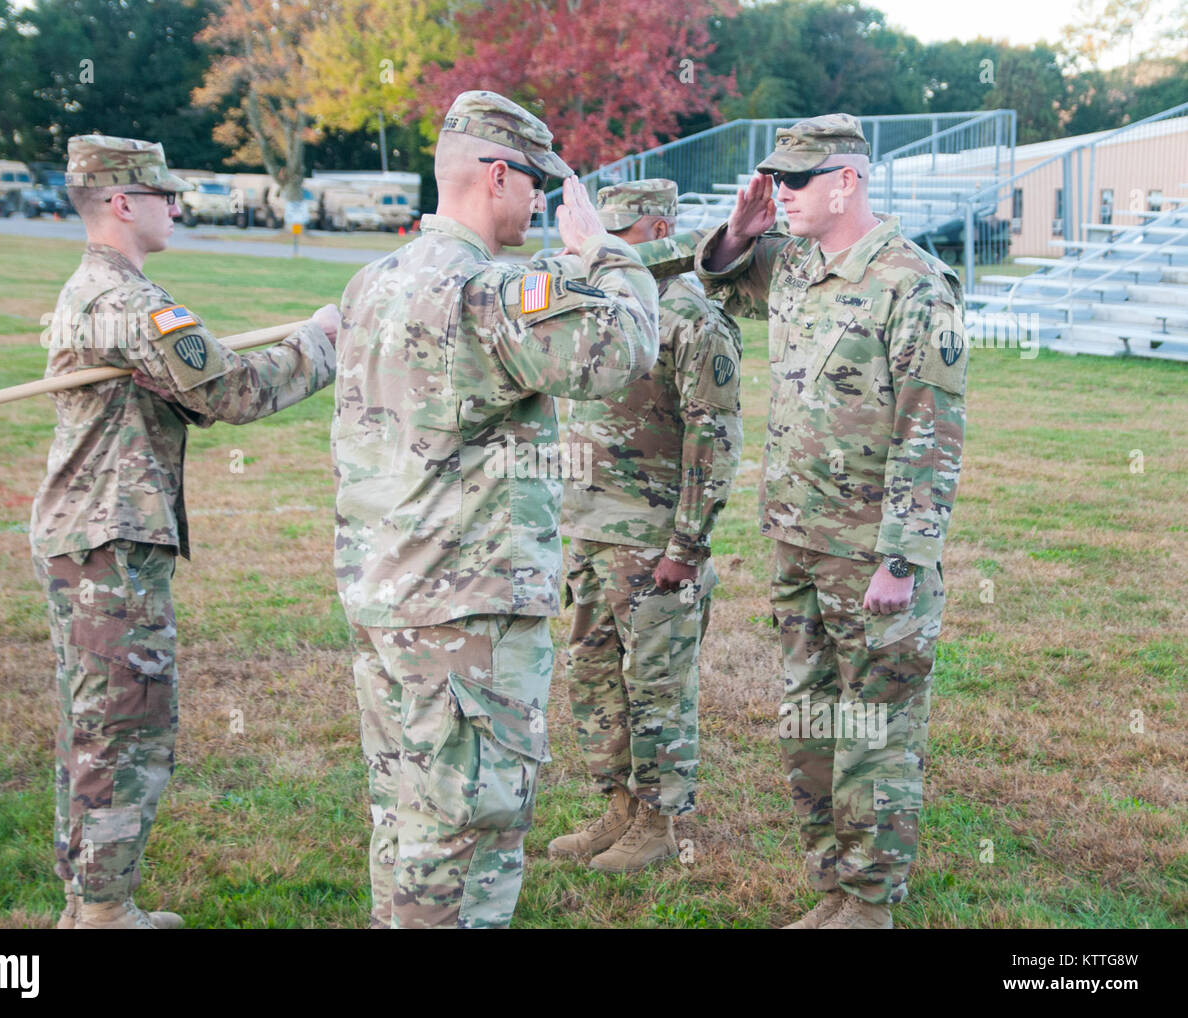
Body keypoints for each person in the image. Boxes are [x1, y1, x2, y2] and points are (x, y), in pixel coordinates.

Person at [332, 90, 665, 929]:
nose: (542, 205)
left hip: (387, 599)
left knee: (405, 817)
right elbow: (624, 347)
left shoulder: (374, 282)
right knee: (469, 834)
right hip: (463, 618)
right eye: (536, 186)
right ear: (496, 176)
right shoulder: (484, 293)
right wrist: (605, 253)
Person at [30, 135, 339, 929]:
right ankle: (101, 912)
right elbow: (234, 392)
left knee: (97, 719)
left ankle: (90, 901)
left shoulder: (106, 293)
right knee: (124, 724)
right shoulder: (129, 304)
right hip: (109, 539)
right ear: (123, 202)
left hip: (90, 533)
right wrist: (323, 340)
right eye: (164, 195)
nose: (177, 206)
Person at [696, 114, 967, 929]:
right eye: (775, 180)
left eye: (794, 182)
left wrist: (903, 558)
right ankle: (832, 889)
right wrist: (734, 234)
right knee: (809, 723)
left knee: (875, 729)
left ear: (846, 181)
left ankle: (870, 904)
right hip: (796, 539)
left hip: (869, 553)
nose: (779, 195)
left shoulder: (913, 282)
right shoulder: (794, 263)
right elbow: (714, 282)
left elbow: (933, 428)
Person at [548, 179, 743, 872]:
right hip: (592, 529)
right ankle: (621, 807)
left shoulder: (695, 318)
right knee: (595, 676)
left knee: (658, 683)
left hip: (656, 540)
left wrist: (687, 546)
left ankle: (659, 823)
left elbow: (713, 441)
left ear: (660, 227)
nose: (610, 253)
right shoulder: (602, 305)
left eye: (621, 238)